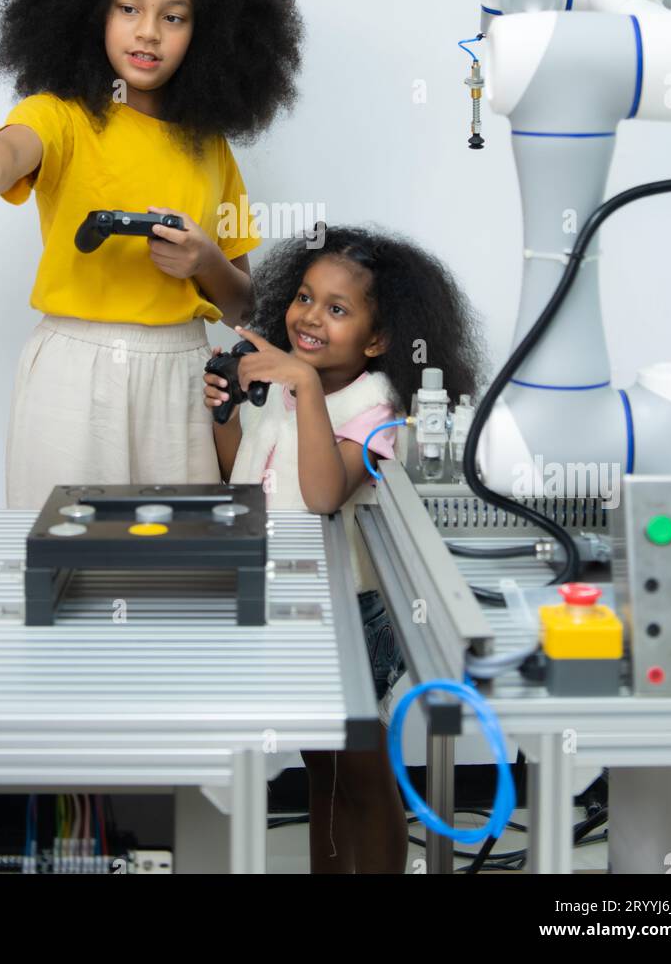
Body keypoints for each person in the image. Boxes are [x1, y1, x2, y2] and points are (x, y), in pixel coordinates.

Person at [0, 0, 303, 506]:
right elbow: (13, 149)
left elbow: (241, 306)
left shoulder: (210, 148)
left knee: (177, 570)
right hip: (74, 371)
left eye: (173, 17)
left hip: (184, 374)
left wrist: (204, 260)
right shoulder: (62, 115)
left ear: (205, 34)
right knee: (64, 562)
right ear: (91, 10)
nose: (148, 32)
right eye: (128, 8)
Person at [204, 225, 486, 873]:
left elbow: (324, 492)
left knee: (362, 769)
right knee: (320, 766)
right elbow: (243, 473)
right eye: (305, 298)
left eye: (338, 309)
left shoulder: (380, 409)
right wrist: (221, 413)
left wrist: (300, 384)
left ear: (379, 338)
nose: (310, 317)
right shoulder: (283, 386)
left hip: (350, 613)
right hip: (287, 601)